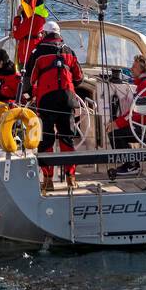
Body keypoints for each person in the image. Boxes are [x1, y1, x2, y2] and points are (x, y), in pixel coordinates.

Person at [29, 20, 84, 193]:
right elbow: (79, 78)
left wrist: (30, 93)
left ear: (44, 34)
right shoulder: (69, 51)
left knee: (46, 140)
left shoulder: (38, 52)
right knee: (67, 138)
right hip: (67, 99)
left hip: (47, 101)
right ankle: (71, 178)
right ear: (59, 35)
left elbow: (30, 79)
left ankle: (47, 179)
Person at [109, 55, 146, 162]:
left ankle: (131, 164)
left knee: (115, 135)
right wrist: (118, 122)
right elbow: (136, 112)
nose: (131, 69)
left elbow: (137, 113)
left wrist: (117, 124)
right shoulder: (145, 83)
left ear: (142, 70)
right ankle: (130, 162)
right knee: (117, 131)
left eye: (134, 67)